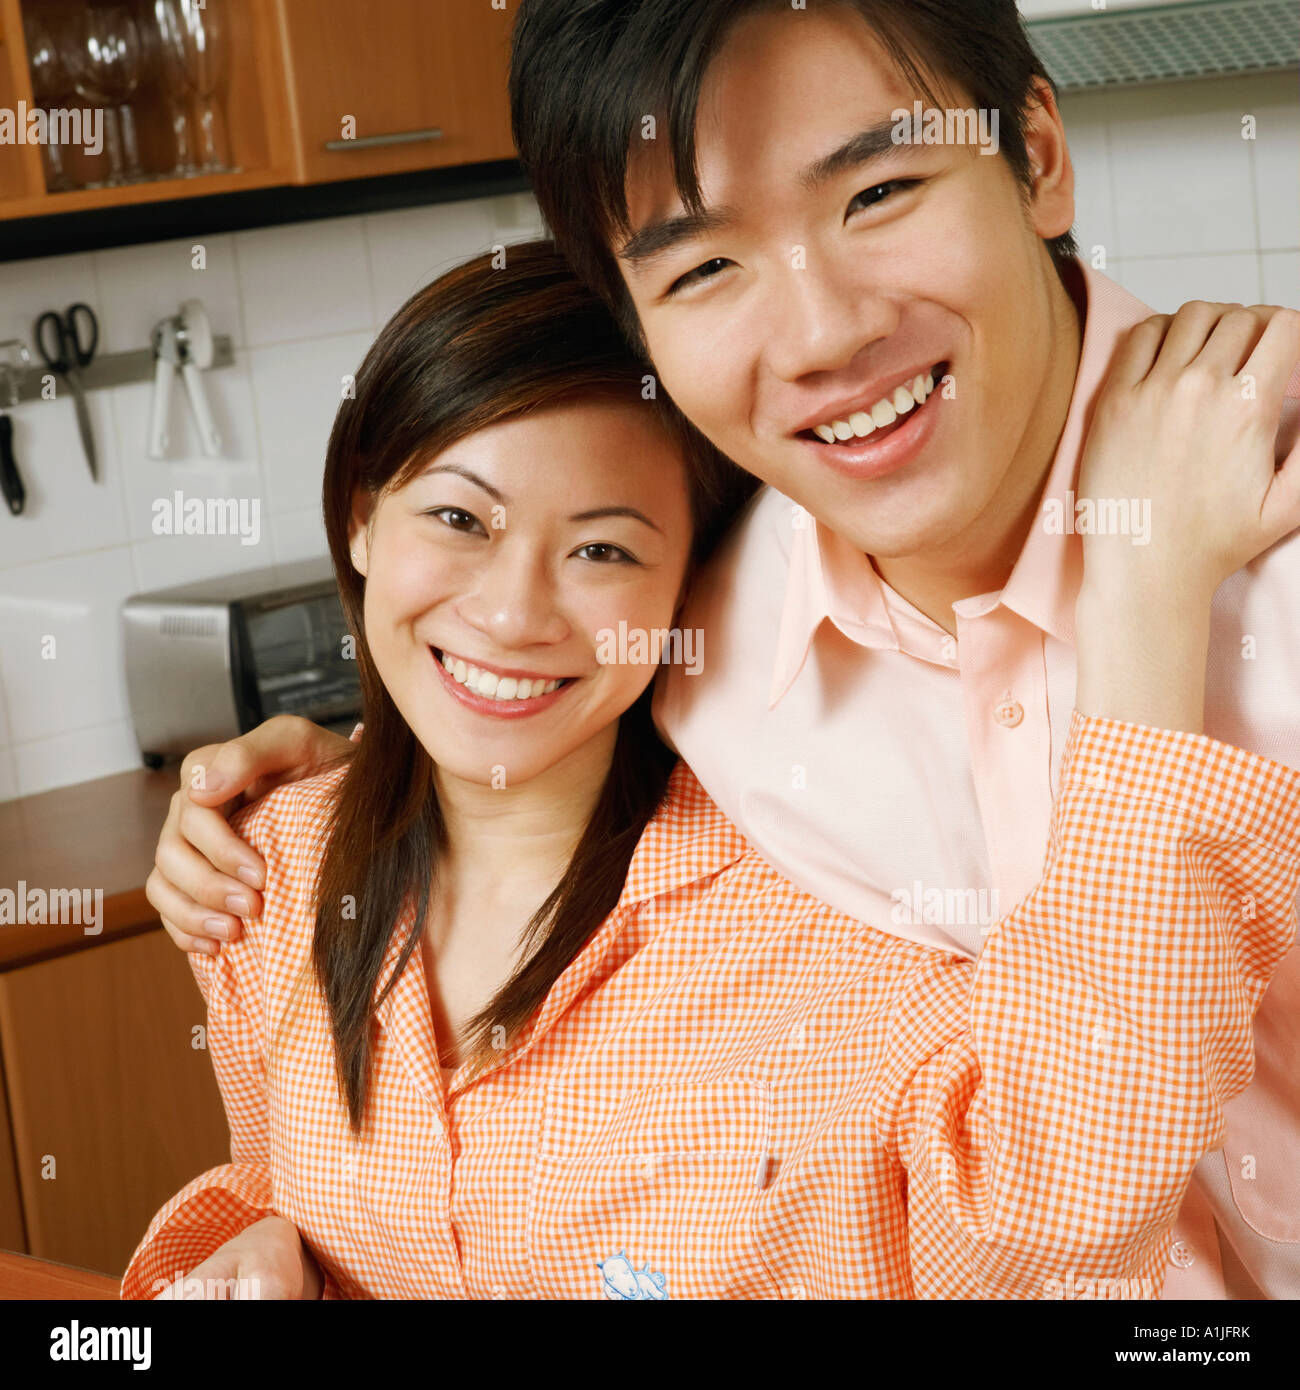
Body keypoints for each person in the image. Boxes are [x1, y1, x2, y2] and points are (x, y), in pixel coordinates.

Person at [144, 0, 1300, 1298]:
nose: (820, 335)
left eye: (878, 191)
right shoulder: (716, 636)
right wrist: (356, 772)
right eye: (702, 267)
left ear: (1036, 154)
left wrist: (1142, 595)